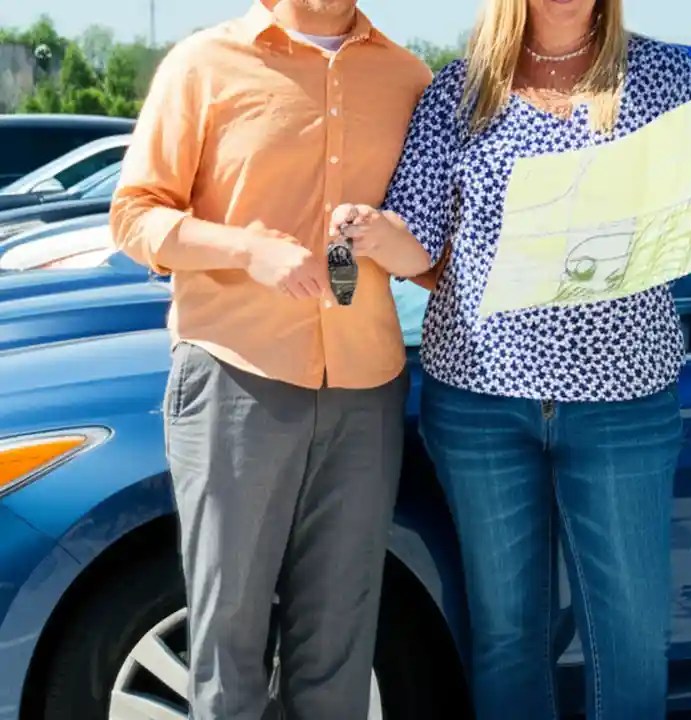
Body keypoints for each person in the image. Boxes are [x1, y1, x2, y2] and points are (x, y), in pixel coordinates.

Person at [330, 0, 691, 716]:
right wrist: (377, 233)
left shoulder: (664, 75)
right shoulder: (459, 90)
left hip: (624, 401)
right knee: (507, 636)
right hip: (479, 403)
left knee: (628, 636)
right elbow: (423, 245)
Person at [109, 1, 437, 718]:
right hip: (235, 377)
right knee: (229, 650)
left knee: (340, 650)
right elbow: (133, 213)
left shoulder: (409, 78)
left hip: (366, 388)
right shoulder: (203, 64)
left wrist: (392, 239)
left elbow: (439, 253)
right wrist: (246, 249)